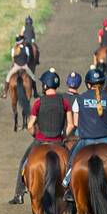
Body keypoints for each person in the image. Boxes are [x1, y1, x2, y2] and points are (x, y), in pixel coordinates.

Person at [64, 67, 107, 201]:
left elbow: (76, 123)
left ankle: (68, 185)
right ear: (103, 84)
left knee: (72, 159)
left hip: (85, 140)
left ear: (88, 84)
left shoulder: (78, 99)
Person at [9, 69, 73, 203]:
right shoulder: (65, 102)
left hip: (40, 141)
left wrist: (35, 135)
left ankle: (19, 194)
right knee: (72, 165)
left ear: (45, 86)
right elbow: (71, 125)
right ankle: (70, 191)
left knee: (24, 162)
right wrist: (63, 137)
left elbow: (30, 125)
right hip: (59, 142)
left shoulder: (38, 102)